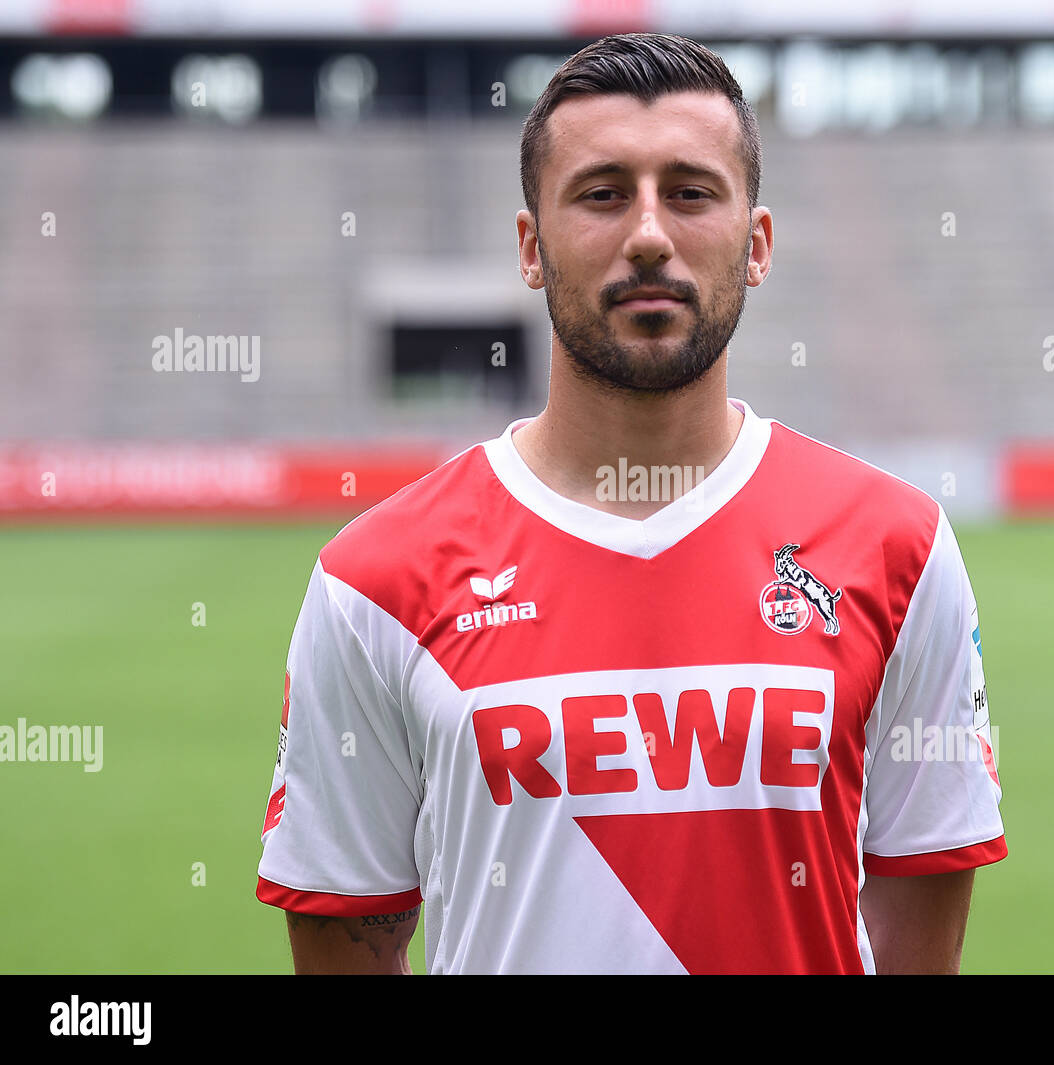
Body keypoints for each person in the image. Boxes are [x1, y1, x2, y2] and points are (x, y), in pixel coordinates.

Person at [255, 31, 1006, 975]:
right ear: (531, 248)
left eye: (690, 192)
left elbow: (921, 898)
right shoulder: (374, 581)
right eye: (603, 194)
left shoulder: (897, 546)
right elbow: (340, 922)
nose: (649, 233)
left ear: (757, 243)